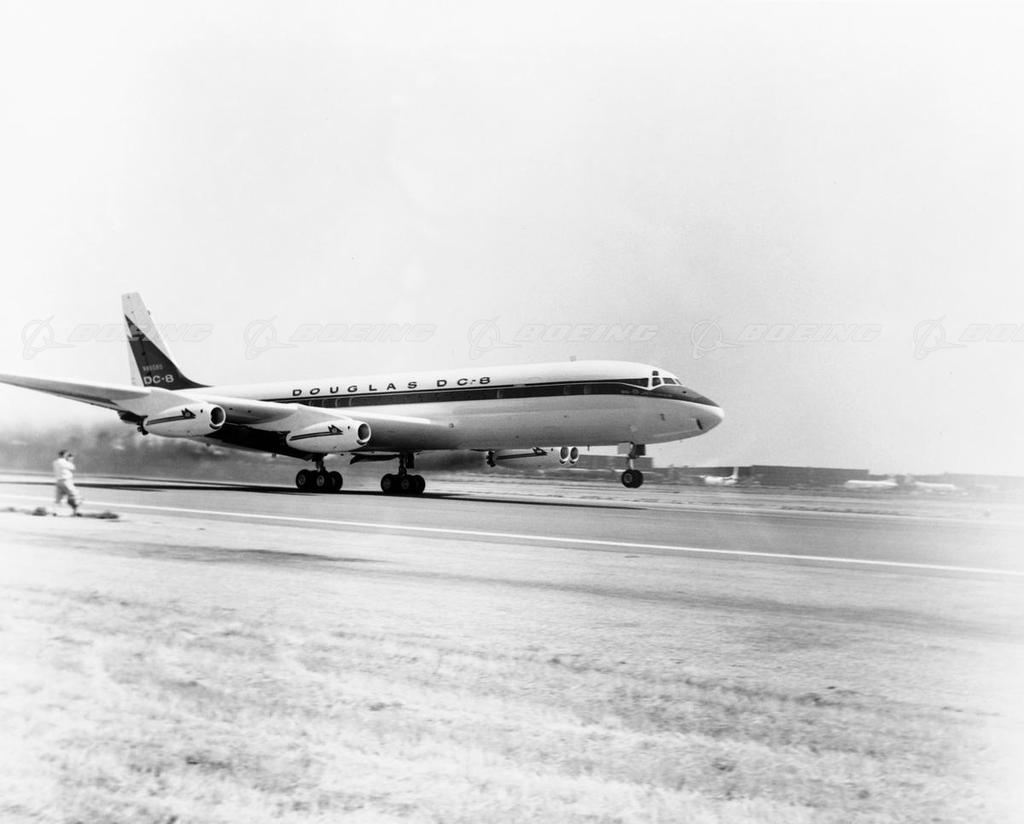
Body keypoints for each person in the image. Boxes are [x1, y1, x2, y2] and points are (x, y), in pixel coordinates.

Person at [52, 449, 82, 516]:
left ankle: (55, 512)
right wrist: (70, 460)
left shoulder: (55, 462)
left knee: (58, 498)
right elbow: (73, 467)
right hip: (66, 481)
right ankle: (75, 512)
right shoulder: (64, 462)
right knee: (76, 496)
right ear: (65, 455)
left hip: (58, 481)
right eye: (67, 455)